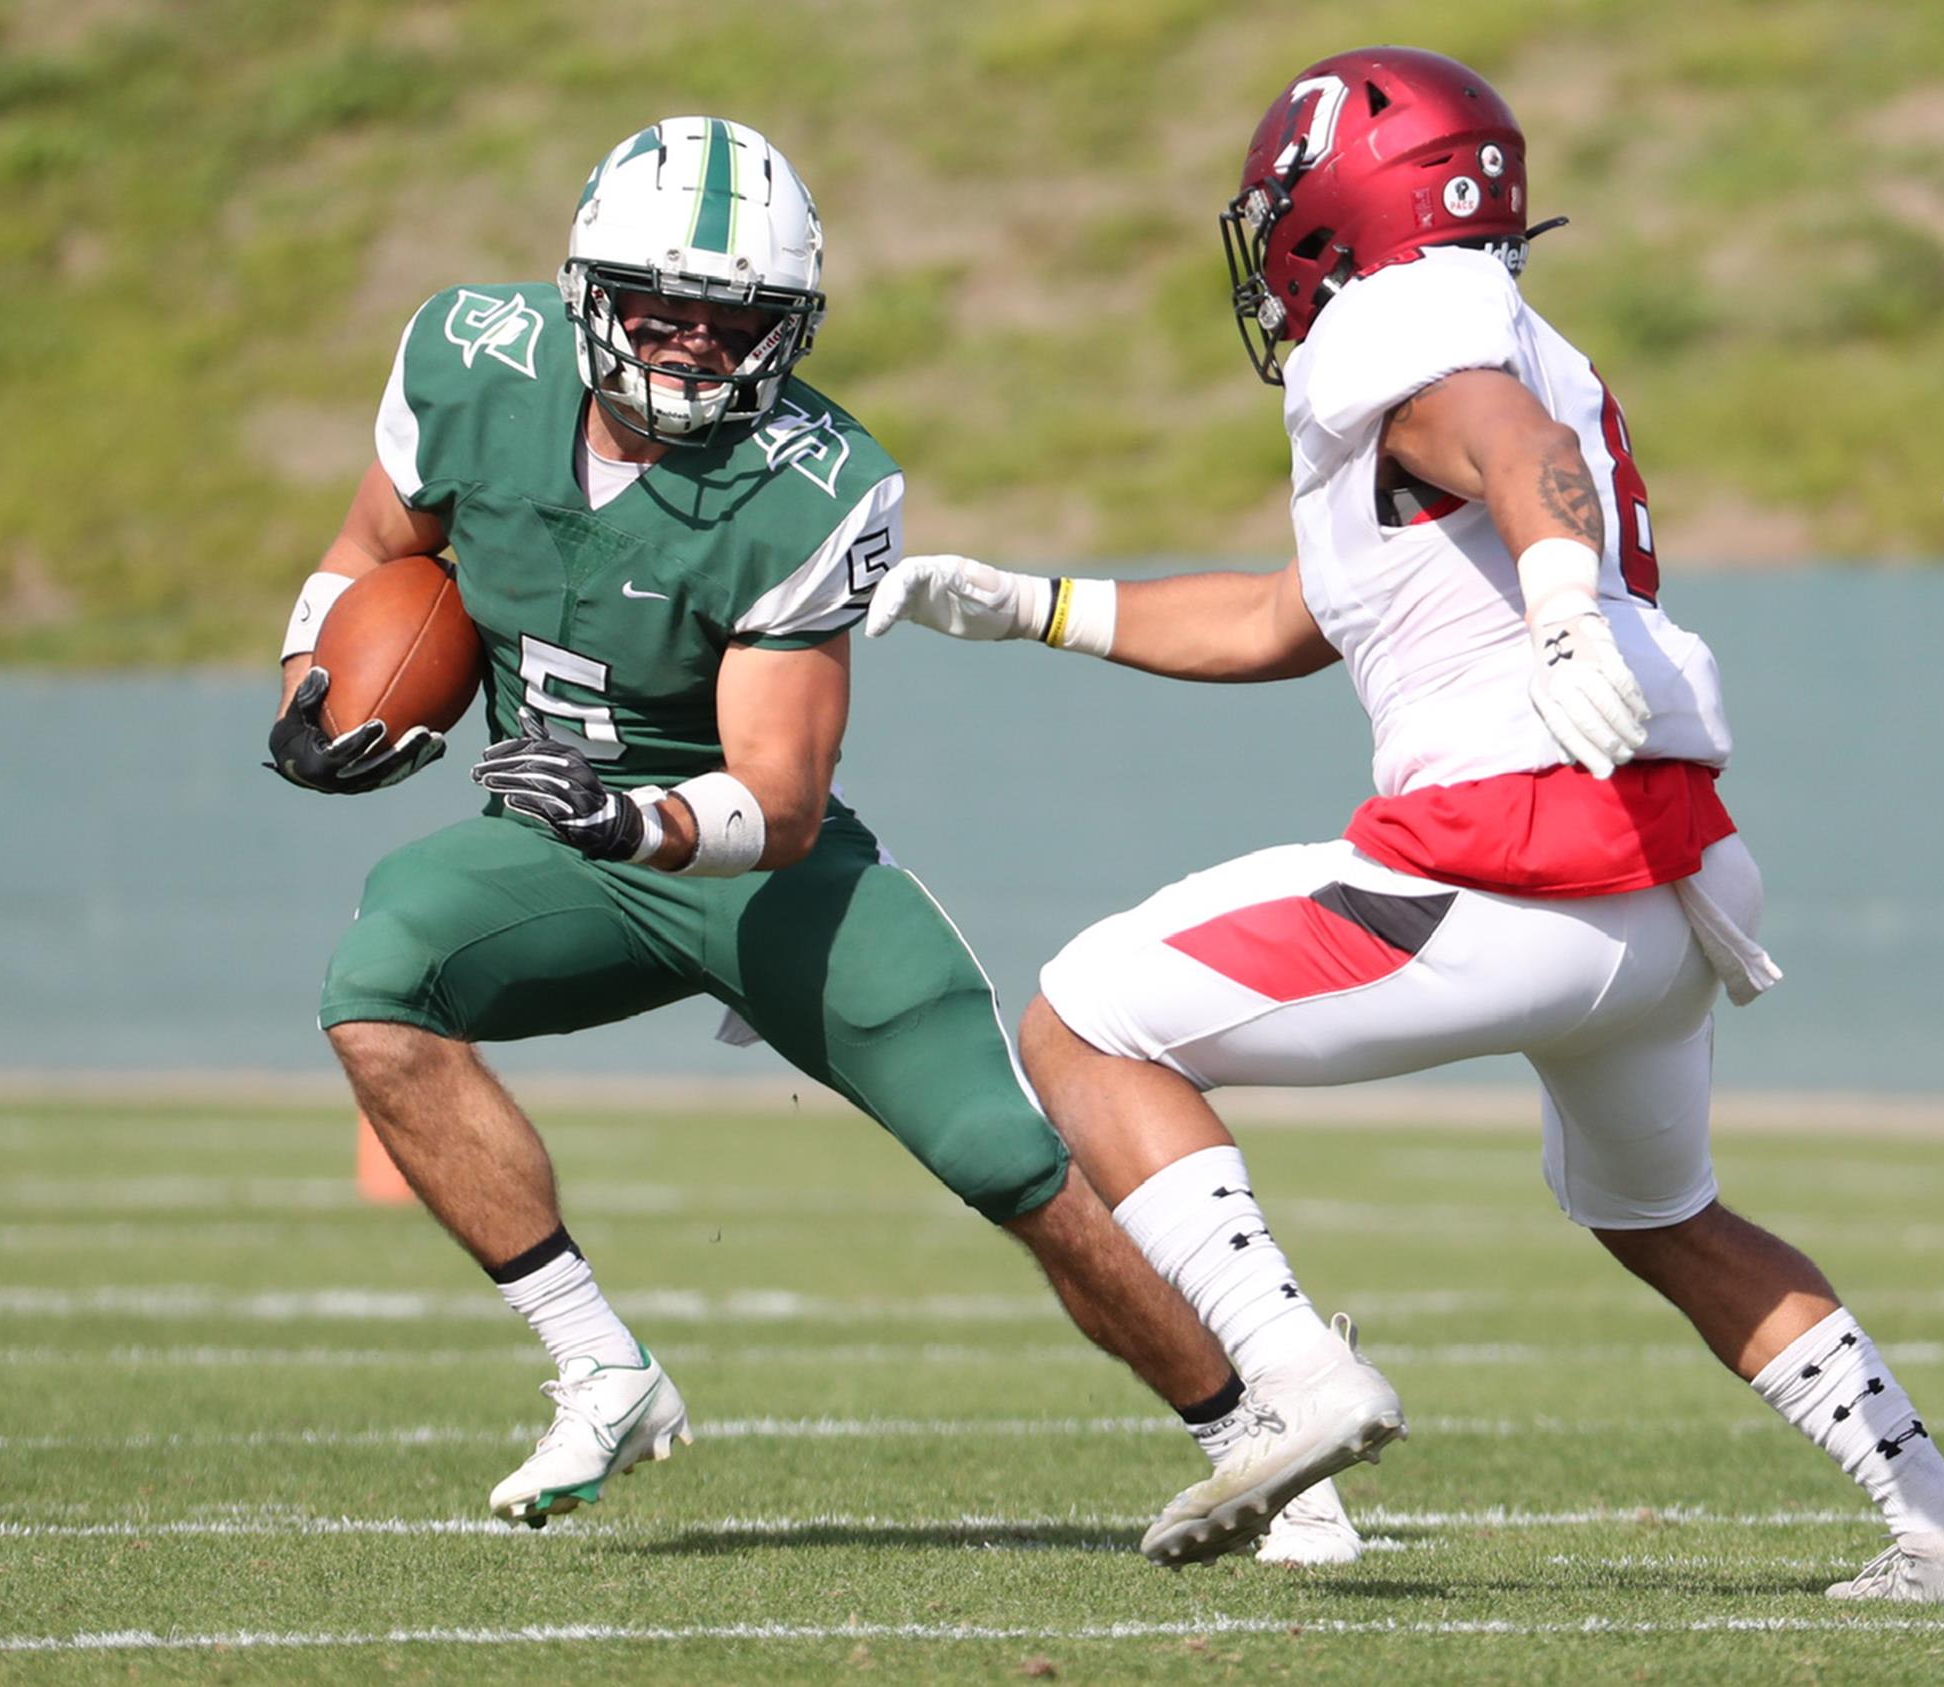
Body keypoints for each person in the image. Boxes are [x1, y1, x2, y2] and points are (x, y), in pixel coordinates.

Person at [864, 47, 1944, 1600]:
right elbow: (1289, 613)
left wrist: (1561, 613)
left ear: (1342, 214)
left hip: (1514, 856)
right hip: (1659, 888)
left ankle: (1292, 1372)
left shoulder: (1407, 321)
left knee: (1082, 1020)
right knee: (1664, 1211)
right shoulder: (1496, 342)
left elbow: (1512, 450)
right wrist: (1040, 604)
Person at [261, 115, 1298, 1560]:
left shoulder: (813, 480)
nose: (691, 350)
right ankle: (598, 1365)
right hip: (563, 844)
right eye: (661, 311)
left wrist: (637, 813)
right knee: (377, 990)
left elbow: (781, 791)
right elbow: (377, 546)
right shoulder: (468, 357)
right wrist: (316, 671)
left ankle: (1250, 1430)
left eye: (730, 320)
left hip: (751, 860)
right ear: (585, 294)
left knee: (1008, 1157)